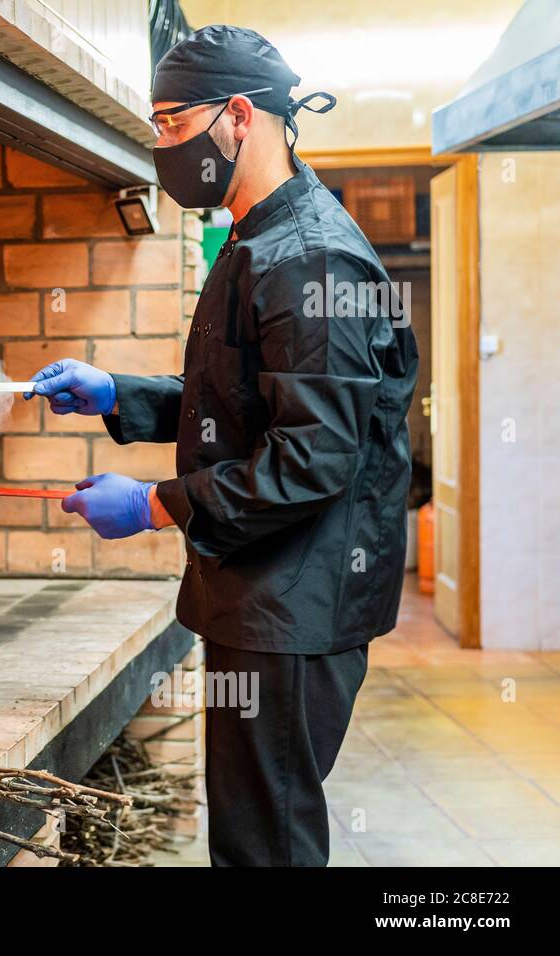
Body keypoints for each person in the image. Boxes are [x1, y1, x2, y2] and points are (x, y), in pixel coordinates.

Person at [26, 24, 418, 866]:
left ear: (240, 115)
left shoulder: (310, 259)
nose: (162, 144)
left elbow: (312, 458)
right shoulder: (256, 236)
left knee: (263, 840)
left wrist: (155, 504)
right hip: (268, 591)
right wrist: (117, 395)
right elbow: (242, 410)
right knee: (252, 826)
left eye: (172, 122)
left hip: (297, 603)